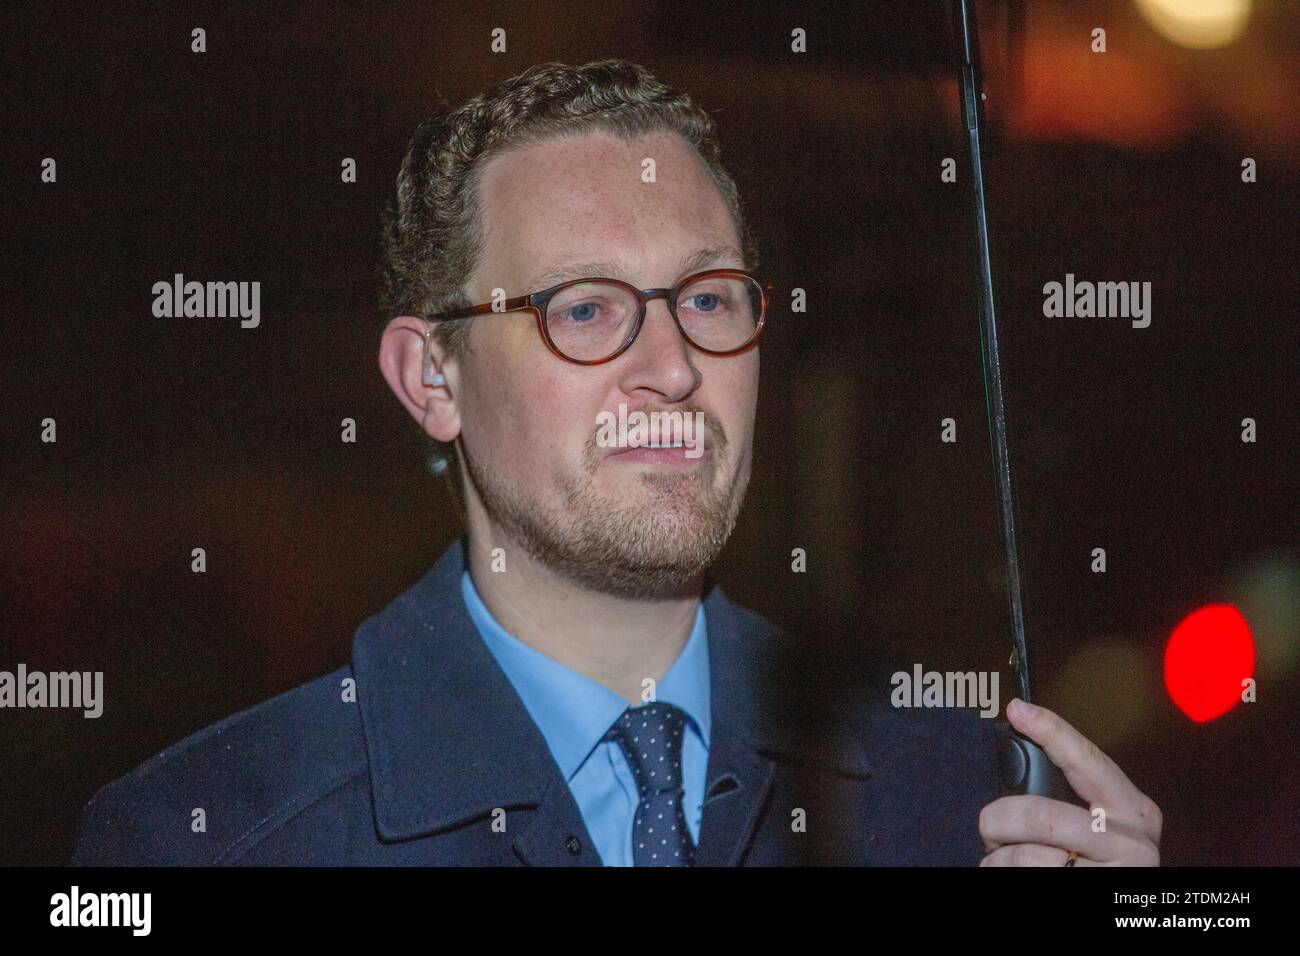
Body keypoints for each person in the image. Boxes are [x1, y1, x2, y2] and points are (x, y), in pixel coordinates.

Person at [70, 59, 1161, 867]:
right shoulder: (201, 837)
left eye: (706, 298)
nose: (675, 366)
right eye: (583, 308)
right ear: (430, 378)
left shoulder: (968, 803)